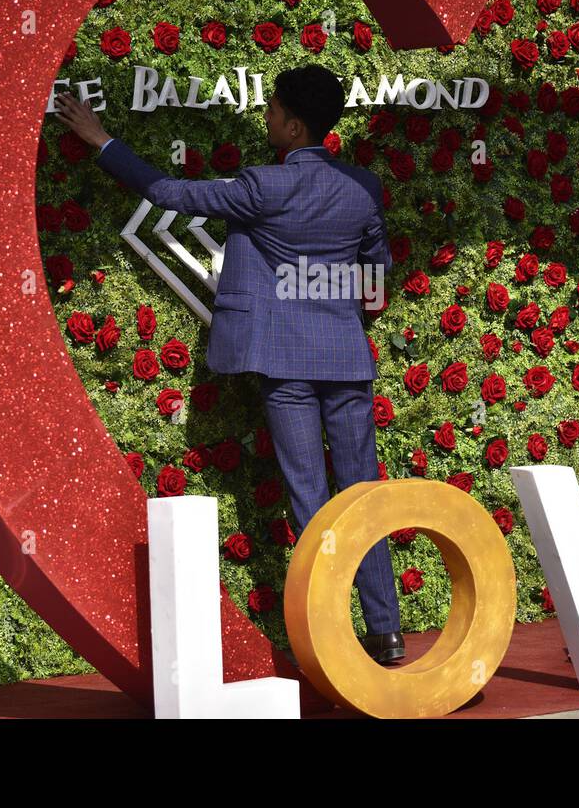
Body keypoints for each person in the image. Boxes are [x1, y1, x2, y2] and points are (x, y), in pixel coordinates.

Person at [54, 64, 405, 664]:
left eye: (272, 110)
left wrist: (99, 138)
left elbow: (168, 193)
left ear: (294, 127)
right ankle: (388, 630)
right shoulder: (362, 188)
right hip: (346, 357)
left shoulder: (263, 186)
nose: (265, 116)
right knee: (363, 494)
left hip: (286, 365)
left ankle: (328, 635)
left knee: (309, 499)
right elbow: (378, 265)